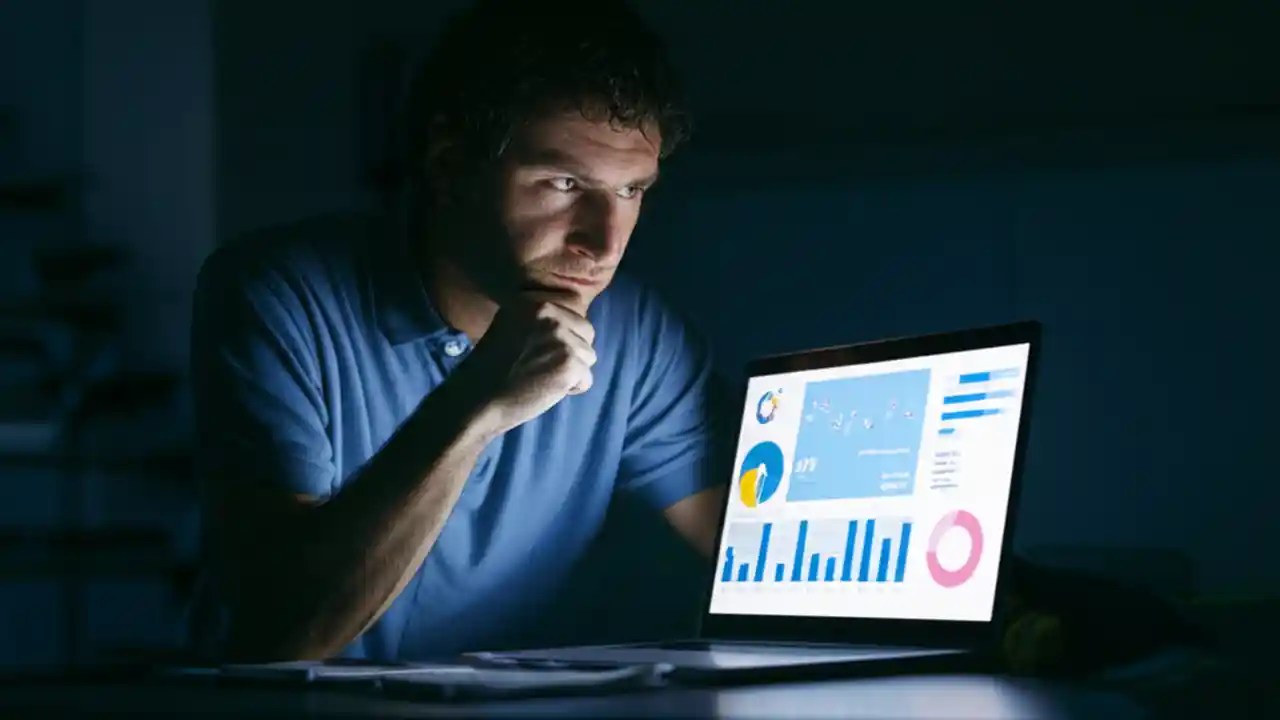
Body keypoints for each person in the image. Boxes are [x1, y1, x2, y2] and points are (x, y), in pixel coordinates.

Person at [188, 0, 727, 662]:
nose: (603, 243)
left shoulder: (639, 334)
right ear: (448, 165)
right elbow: (285, 634)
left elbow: (746, 553)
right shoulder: (279, 294)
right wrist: (477, 402)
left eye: (631, 191)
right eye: (563, 183)